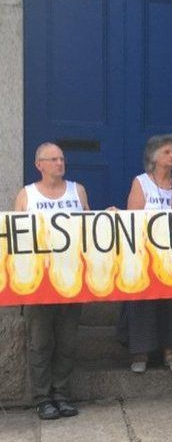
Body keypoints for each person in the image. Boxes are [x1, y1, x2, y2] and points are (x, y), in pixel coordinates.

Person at [15, 143, 90, 419]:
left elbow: (89, 231)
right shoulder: (27, 195)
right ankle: (42, 397)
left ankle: (61, 392)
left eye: (62, 158)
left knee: (67, 341)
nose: (60, 163)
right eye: (54, 159)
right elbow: (17, 240)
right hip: (38, 282)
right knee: (40, 342)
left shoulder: (77, 190)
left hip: (72, 279)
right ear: (39, 165)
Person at [117, 134, 172, 373]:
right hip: (145, 258)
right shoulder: (141, 183)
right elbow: (132, 219)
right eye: (166, 152)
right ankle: (141, 352)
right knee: (143, 303)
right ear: (153, 156)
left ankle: (170, 351)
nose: (171, 156)